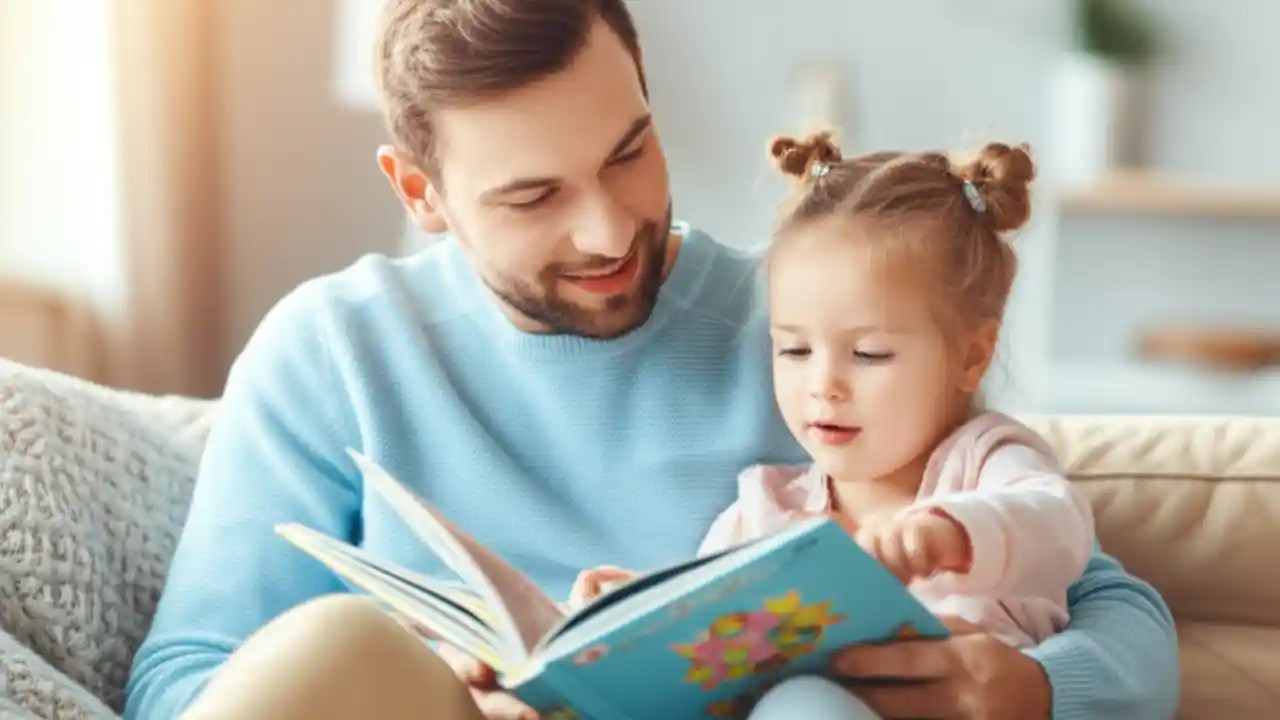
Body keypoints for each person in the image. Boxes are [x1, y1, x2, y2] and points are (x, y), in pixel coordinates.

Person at [123, 1, 1179, 719]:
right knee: (339, 645)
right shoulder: (331, 350)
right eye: (533, 196)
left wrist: (1040, 692)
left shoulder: (810, 334)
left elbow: (1102, 594)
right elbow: (179, 679)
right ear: (419, 194)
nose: (606, 231)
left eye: (628, 150)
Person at [573, 134, 1099, 718]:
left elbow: (1060, 523)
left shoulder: (984, 463)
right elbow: (706, 632)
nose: (824, 385)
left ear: (972, 357)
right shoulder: (763, 510)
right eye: (795, 351)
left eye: (870, 354)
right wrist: (632, 610)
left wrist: (951, 531)